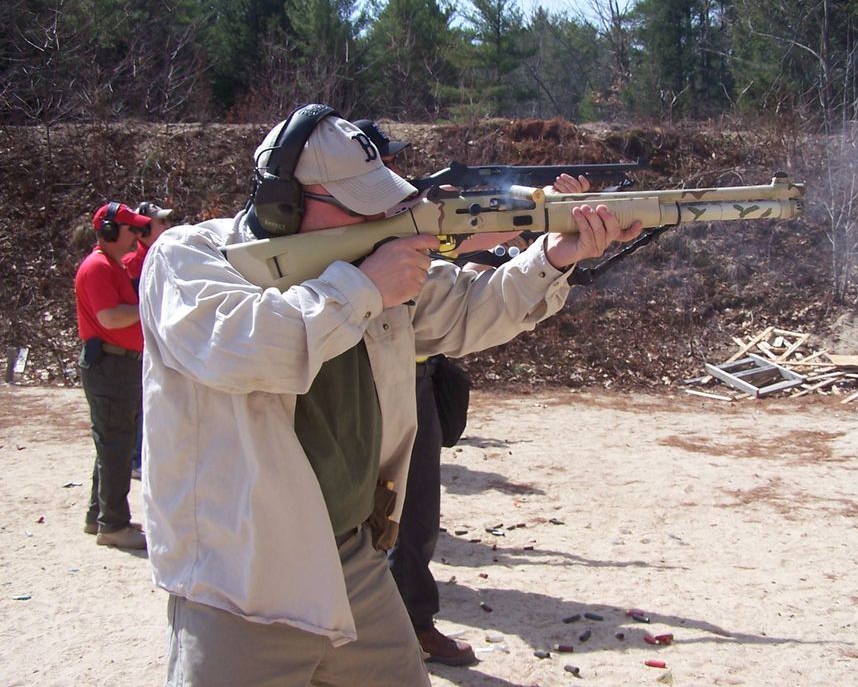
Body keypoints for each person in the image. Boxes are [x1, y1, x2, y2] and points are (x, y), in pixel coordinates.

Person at [138, 105, 642, 686]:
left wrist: (555, 256)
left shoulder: (357, 267)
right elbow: (240, 349)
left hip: (355, 561)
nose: (380, 216)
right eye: (358, 203)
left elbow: (469, 313)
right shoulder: (187, 258)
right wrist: (362, 288)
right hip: (239, 581)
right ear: (285, 202)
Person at [354, 120, 593, 665]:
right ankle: (390, 630)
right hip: (368, 380)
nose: (393, 169)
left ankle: (412, 622)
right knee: (372, 519)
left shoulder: (411, 210)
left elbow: (469, 294)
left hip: (418, 372)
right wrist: (520, 226)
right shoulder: (382, 223)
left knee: (414, 516)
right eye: (381, 162)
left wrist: (543, 240)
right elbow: (456, 245)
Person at [75, 201, 151, 550]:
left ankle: (100, 516)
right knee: (116, 444)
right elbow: (110, 318)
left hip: (118, 364)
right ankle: (114, 525)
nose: (137, 234)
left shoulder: (112, 265)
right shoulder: (98, 267)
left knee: (112, 443)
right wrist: (147, 307)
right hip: (111, 365)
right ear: (107, 231)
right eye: (130, 228)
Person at [121, 200, 175, 479]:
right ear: (142, 231)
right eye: (161, 222)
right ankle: (137, 459)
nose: (167, 226)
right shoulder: (133, 262)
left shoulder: (165, 256)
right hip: (141, 343)